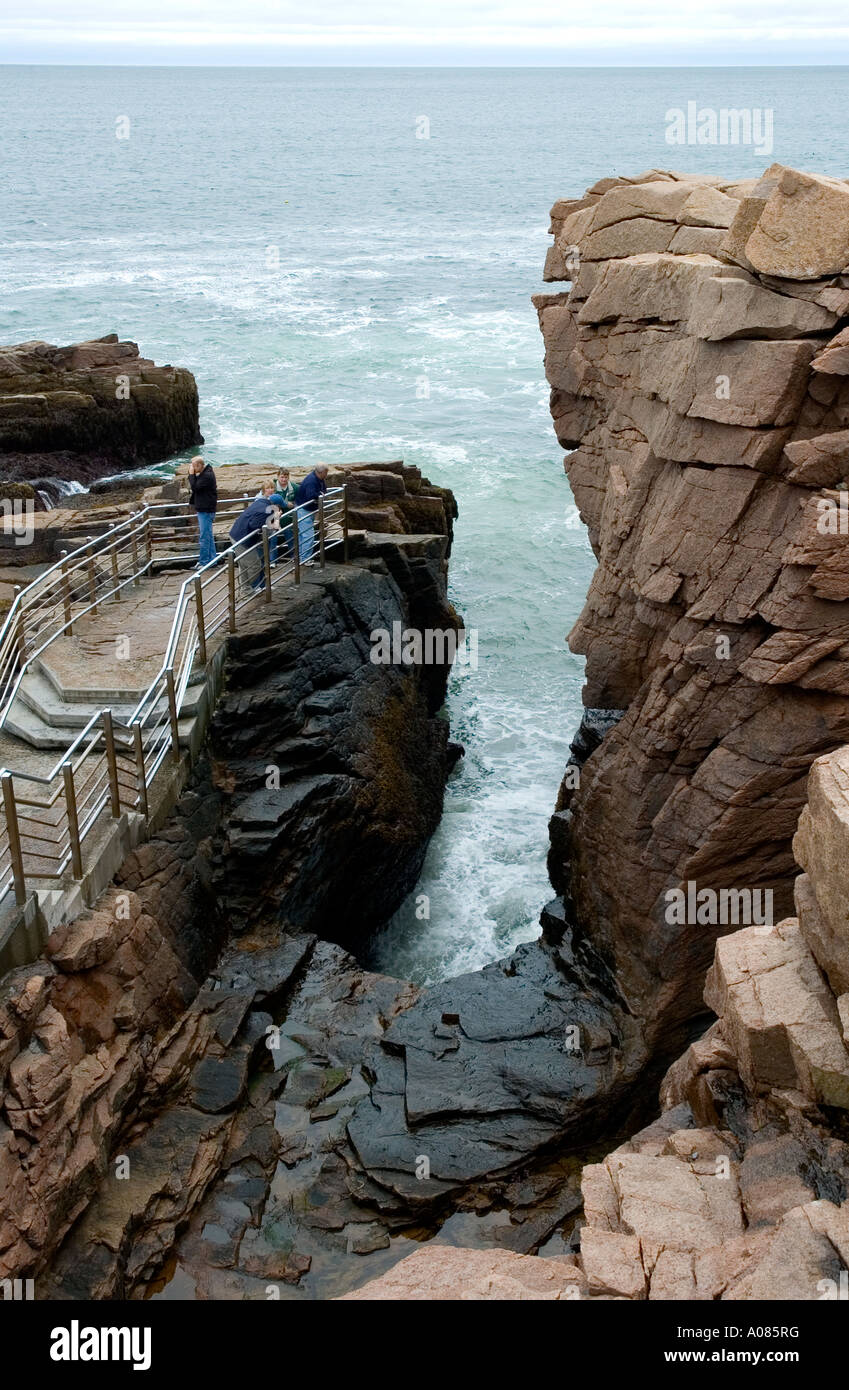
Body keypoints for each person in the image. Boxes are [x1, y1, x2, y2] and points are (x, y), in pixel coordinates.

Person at [229, 492, 284, 593]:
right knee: (255, 565)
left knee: (245, 566)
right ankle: (247, 589)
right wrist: (276, 519)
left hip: (236, 534)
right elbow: (255, 525)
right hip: (242, 539)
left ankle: (247, 589)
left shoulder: (261, 502)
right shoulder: (268, 511)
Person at [294, 464, 328, 564]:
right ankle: (305, 559)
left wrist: (321, 494)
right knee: (308, 536)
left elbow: (324, 490)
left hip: (309, 509)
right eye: (326, 472)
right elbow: (311, 495)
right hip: (303, 510)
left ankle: (302, 557)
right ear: (321, 472)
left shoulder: (320, 478)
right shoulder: (311, 481)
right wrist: (320, 494)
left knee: (304, 535)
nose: (327, 474)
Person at [188, 456, 217, 567]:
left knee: (204, 537)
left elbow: (195, 487)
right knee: (208, 536)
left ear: (200, 465)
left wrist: (191, 475)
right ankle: (212, 560)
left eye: (194, 466)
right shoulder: (205, 473)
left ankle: (204, 562)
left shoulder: (207, 476)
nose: (192, 469)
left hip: (206, 510)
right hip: (205, 509)